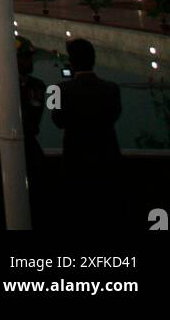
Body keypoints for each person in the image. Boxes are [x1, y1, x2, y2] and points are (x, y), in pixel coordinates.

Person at [0, 38, 47, 227]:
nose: (30, 62)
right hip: (1, 157)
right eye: (24, 57)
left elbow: (31, 122)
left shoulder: (36, 87)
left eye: (30, 58)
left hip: (27, 154)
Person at [51, 38, 122, 227]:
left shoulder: (57, 89)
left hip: (75, 160)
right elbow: (114, 115)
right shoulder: (112, 89)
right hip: (108, 159)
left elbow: (57, 120)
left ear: (71, 62)